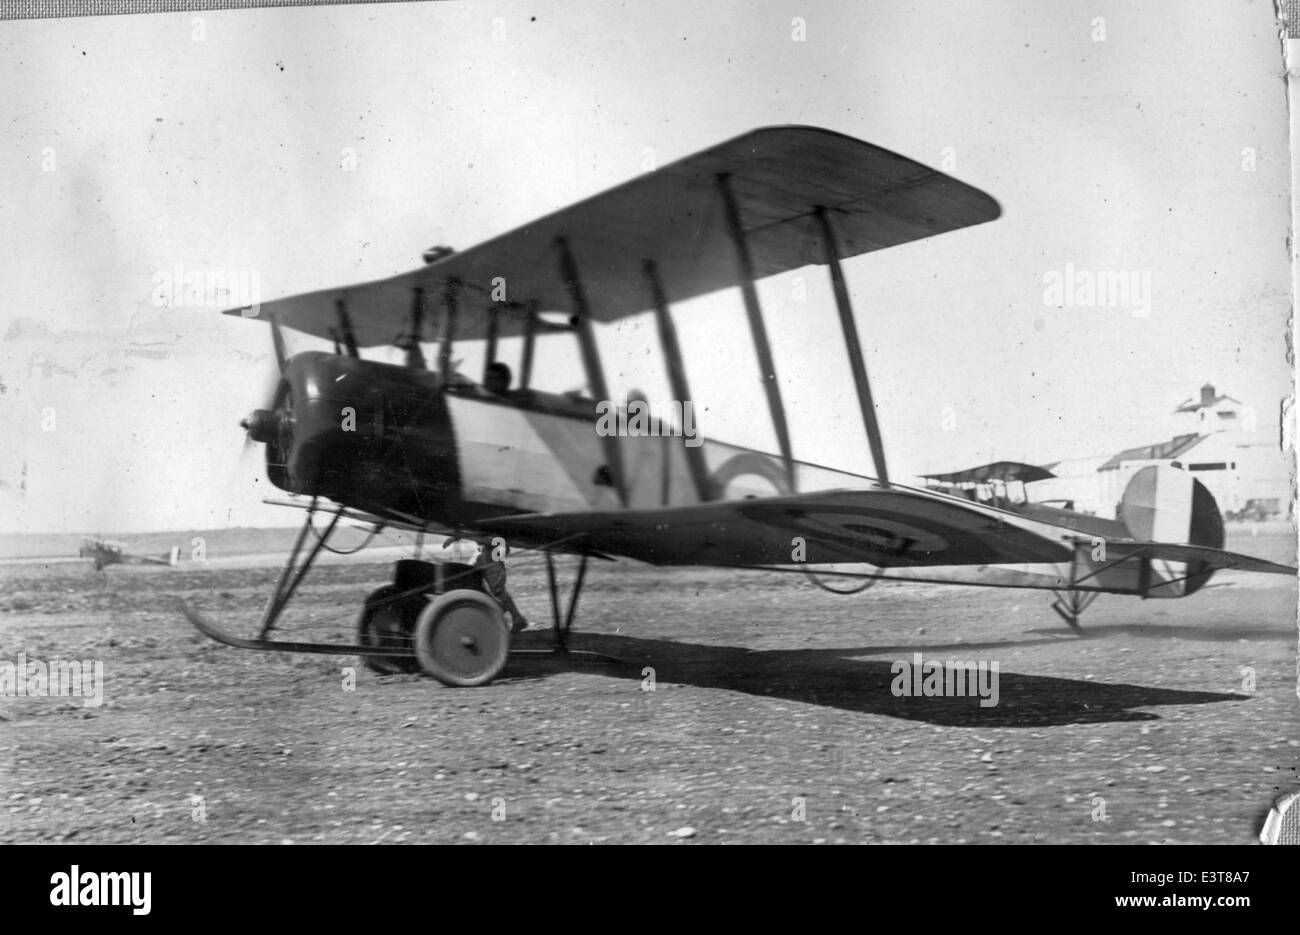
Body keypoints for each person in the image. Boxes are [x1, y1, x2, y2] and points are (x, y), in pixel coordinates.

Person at [472, 539, 532, 633]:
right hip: (486, 558)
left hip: (492, 561)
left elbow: (498, 543)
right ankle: (508, 614)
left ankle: (515, 617)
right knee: (476, 584)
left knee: (498, 591)